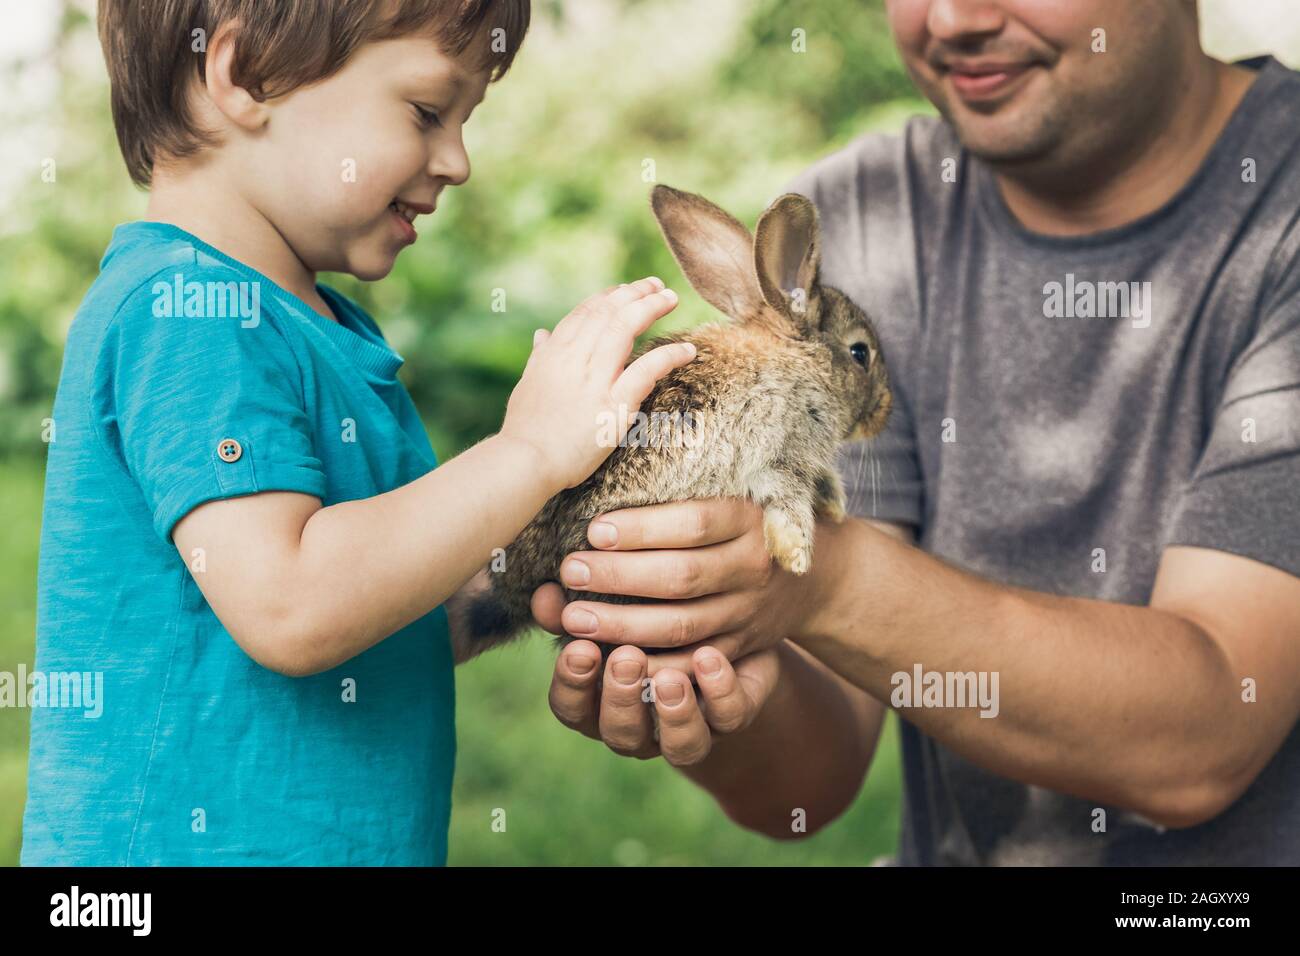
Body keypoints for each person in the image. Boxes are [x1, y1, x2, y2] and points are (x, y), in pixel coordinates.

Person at [536, 0, 1300, 865]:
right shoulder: (870, 217)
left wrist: (821, 579)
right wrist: (702, 664)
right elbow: (806, 786)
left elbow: (1202, 744)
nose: (951, 17)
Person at [22, 0, 696, 865]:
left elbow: (378, 609)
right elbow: (295, 605)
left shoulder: (317, 332)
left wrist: (553, 564)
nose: (457, 160)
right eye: (427, 111)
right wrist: (525, 454)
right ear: (242, 75)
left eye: (467, 121)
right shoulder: (187, 309)